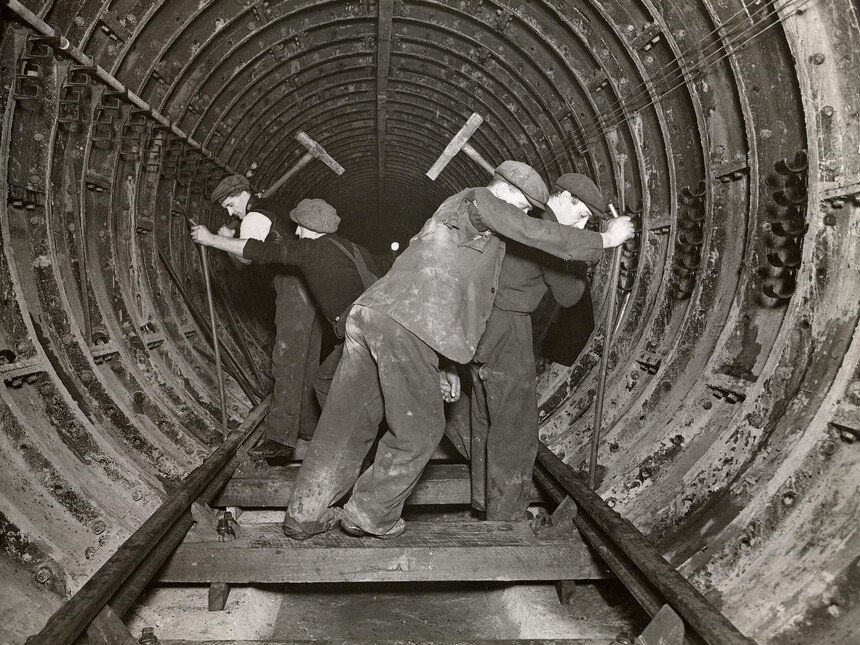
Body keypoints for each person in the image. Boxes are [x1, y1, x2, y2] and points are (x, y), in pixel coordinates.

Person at [280, 160, 634, 540]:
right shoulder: (482, 201)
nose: (526, 215)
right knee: (422, 429)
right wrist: (605, 241)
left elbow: (451, 281)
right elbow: (532, 236)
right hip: (409, 323)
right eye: (525, 207)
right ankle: (370, 512)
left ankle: (305, 513)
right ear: (507, 193)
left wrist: (446, 362)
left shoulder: (449, 210)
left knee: (346, 422)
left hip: (371, 313)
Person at [445, 173, 624, 521]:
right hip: (508, 327)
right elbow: (569, 296)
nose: (583, 224)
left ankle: (485, 501)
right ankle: (508, 517)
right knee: (516, 426)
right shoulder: (548, 234)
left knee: (485, 415)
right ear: (567, 198)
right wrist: (592, 254)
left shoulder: (524, 220)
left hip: (477, 323)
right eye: (583, 215)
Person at [190, 197, 379, 409]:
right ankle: (347, 434)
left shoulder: (310, 250)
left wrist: (211, 239)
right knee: (326, 380)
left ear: (312, 228)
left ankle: (348, 436)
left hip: (358, 330)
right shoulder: (355, 248)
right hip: (378, 322)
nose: (296, 232)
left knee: (338, 386)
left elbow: (260, 251)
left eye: (299, 227)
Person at [208, 175, 321, 460]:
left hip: (293, 289)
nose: (230, 212)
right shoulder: (274, 206)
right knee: (306, 360)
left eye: (231, 204)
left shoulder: (253, 218)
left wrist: (223, 241)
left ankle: (280, 439)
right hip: (314, 287)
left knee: (286, 360)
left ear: (243, 194)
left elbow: (245, 260)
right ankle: (306, 427)